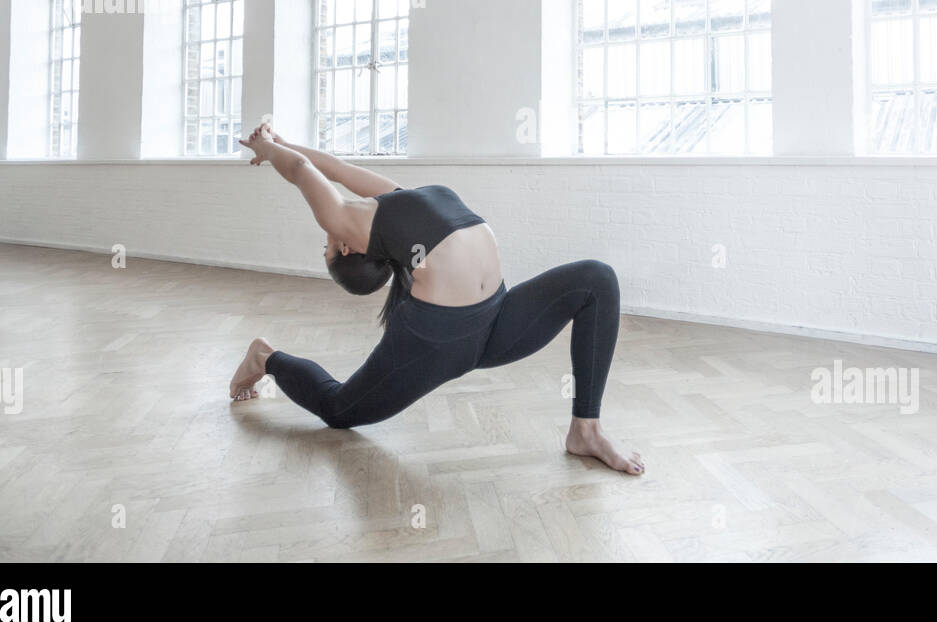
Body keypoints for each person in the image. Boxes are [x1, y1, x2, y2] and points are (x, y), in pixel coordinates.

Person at [229, 122, 644, 475]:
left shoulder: (392, 204)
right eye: (326, 249)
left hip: (495, 323)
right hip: (438, 344)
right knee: (339, 410)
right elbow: (305, 170)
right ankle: (264, 357)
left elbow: (331, 168)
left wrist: (274, 143)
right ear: (350, 249)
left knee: (597, 280)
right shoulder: (353, 222)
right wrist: (268, 149)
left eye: (323, 250)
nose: (325, 240)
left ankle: (585, 431)